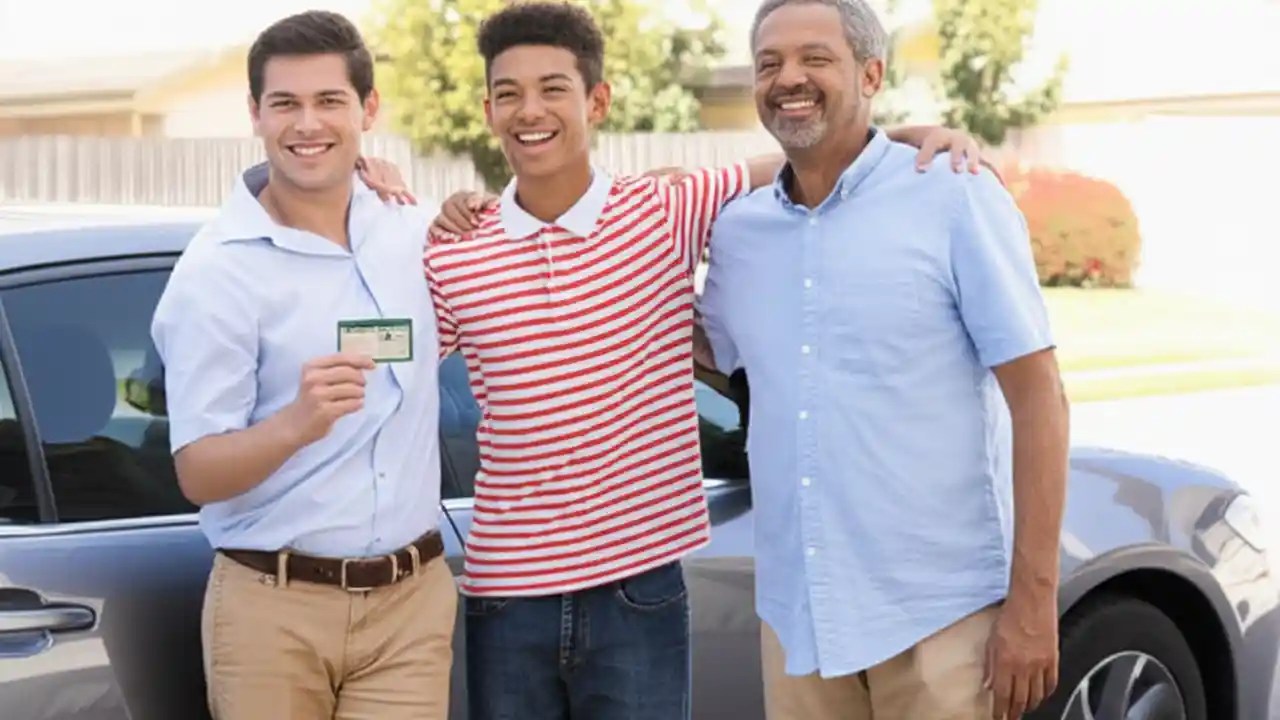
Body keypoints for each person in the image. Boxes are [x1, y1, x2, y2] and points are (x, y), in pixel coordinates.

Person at [416, 3, 982, 719]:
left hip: (639, 591)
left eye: (553, 88)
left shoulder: (667, 210)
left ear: (597, 100)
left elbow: (813, 148)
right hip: (505, 596)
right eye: (508, 93)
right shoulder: (450, 250)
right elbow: (388, 377)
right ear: (489, 109)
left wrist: (915, 135)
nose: (530, 111)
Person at [695, 1, 1072, 719]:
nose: (788, 78)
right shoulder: (739, 234)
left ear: (871, 72)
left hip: (938, 617)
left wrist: (1033, 604)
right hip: (799, 617)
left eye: (815, 59)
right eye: (769, 63)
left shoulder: (953, 196)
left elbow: (1041, 400)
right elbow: (724, 356)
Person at [150, 11, 455, 720]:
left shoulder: (413, 231)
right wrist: (296, 422)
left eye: (329, 102)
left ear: (368, 109)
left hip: (412, 608)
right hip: (272, 612)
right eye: (285, 103)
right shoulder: (216, 274)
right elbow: (198, 472)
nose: (307, 124)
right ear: (255, 114)